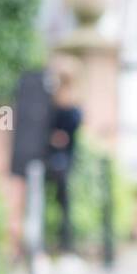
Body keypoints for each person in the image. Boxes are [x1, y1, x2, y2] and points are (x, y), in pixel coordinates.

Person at [46, 71, 83, 253]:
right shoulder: (58, 106)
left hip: (61, 162)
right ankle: (62, 248)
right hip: (58, 162)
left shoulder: (69, 107)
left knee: (61, 205)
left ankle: (63, 247)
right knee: (60, 205)